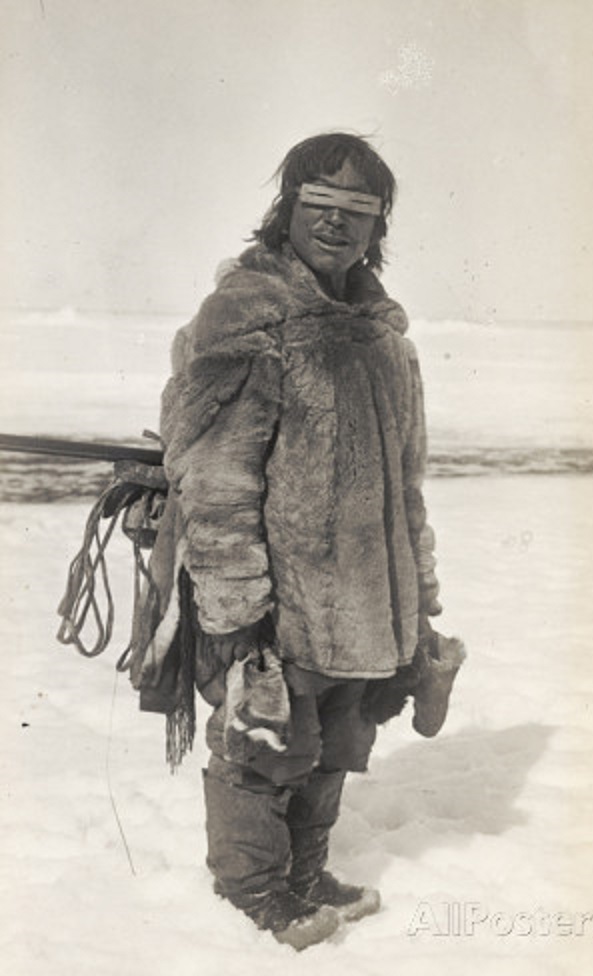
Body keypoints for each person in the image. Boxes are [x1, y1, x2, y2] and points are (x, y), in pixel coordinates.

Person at [129, 132, 461, 951]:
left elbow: (404, 485)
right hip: (277, 592)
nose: (338, 223)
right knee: (264, 739)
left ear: (378, 225)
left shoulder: (383, 338)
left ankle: (306, 873)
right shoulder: (247, 317)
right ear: (289, 208)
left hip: (365, 592)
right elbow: (215, 475)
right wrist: (238, 601)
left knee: (342, 734)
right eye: (321, 203)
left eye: (360, 209)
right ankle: (252, 891)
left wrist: (415, 594)